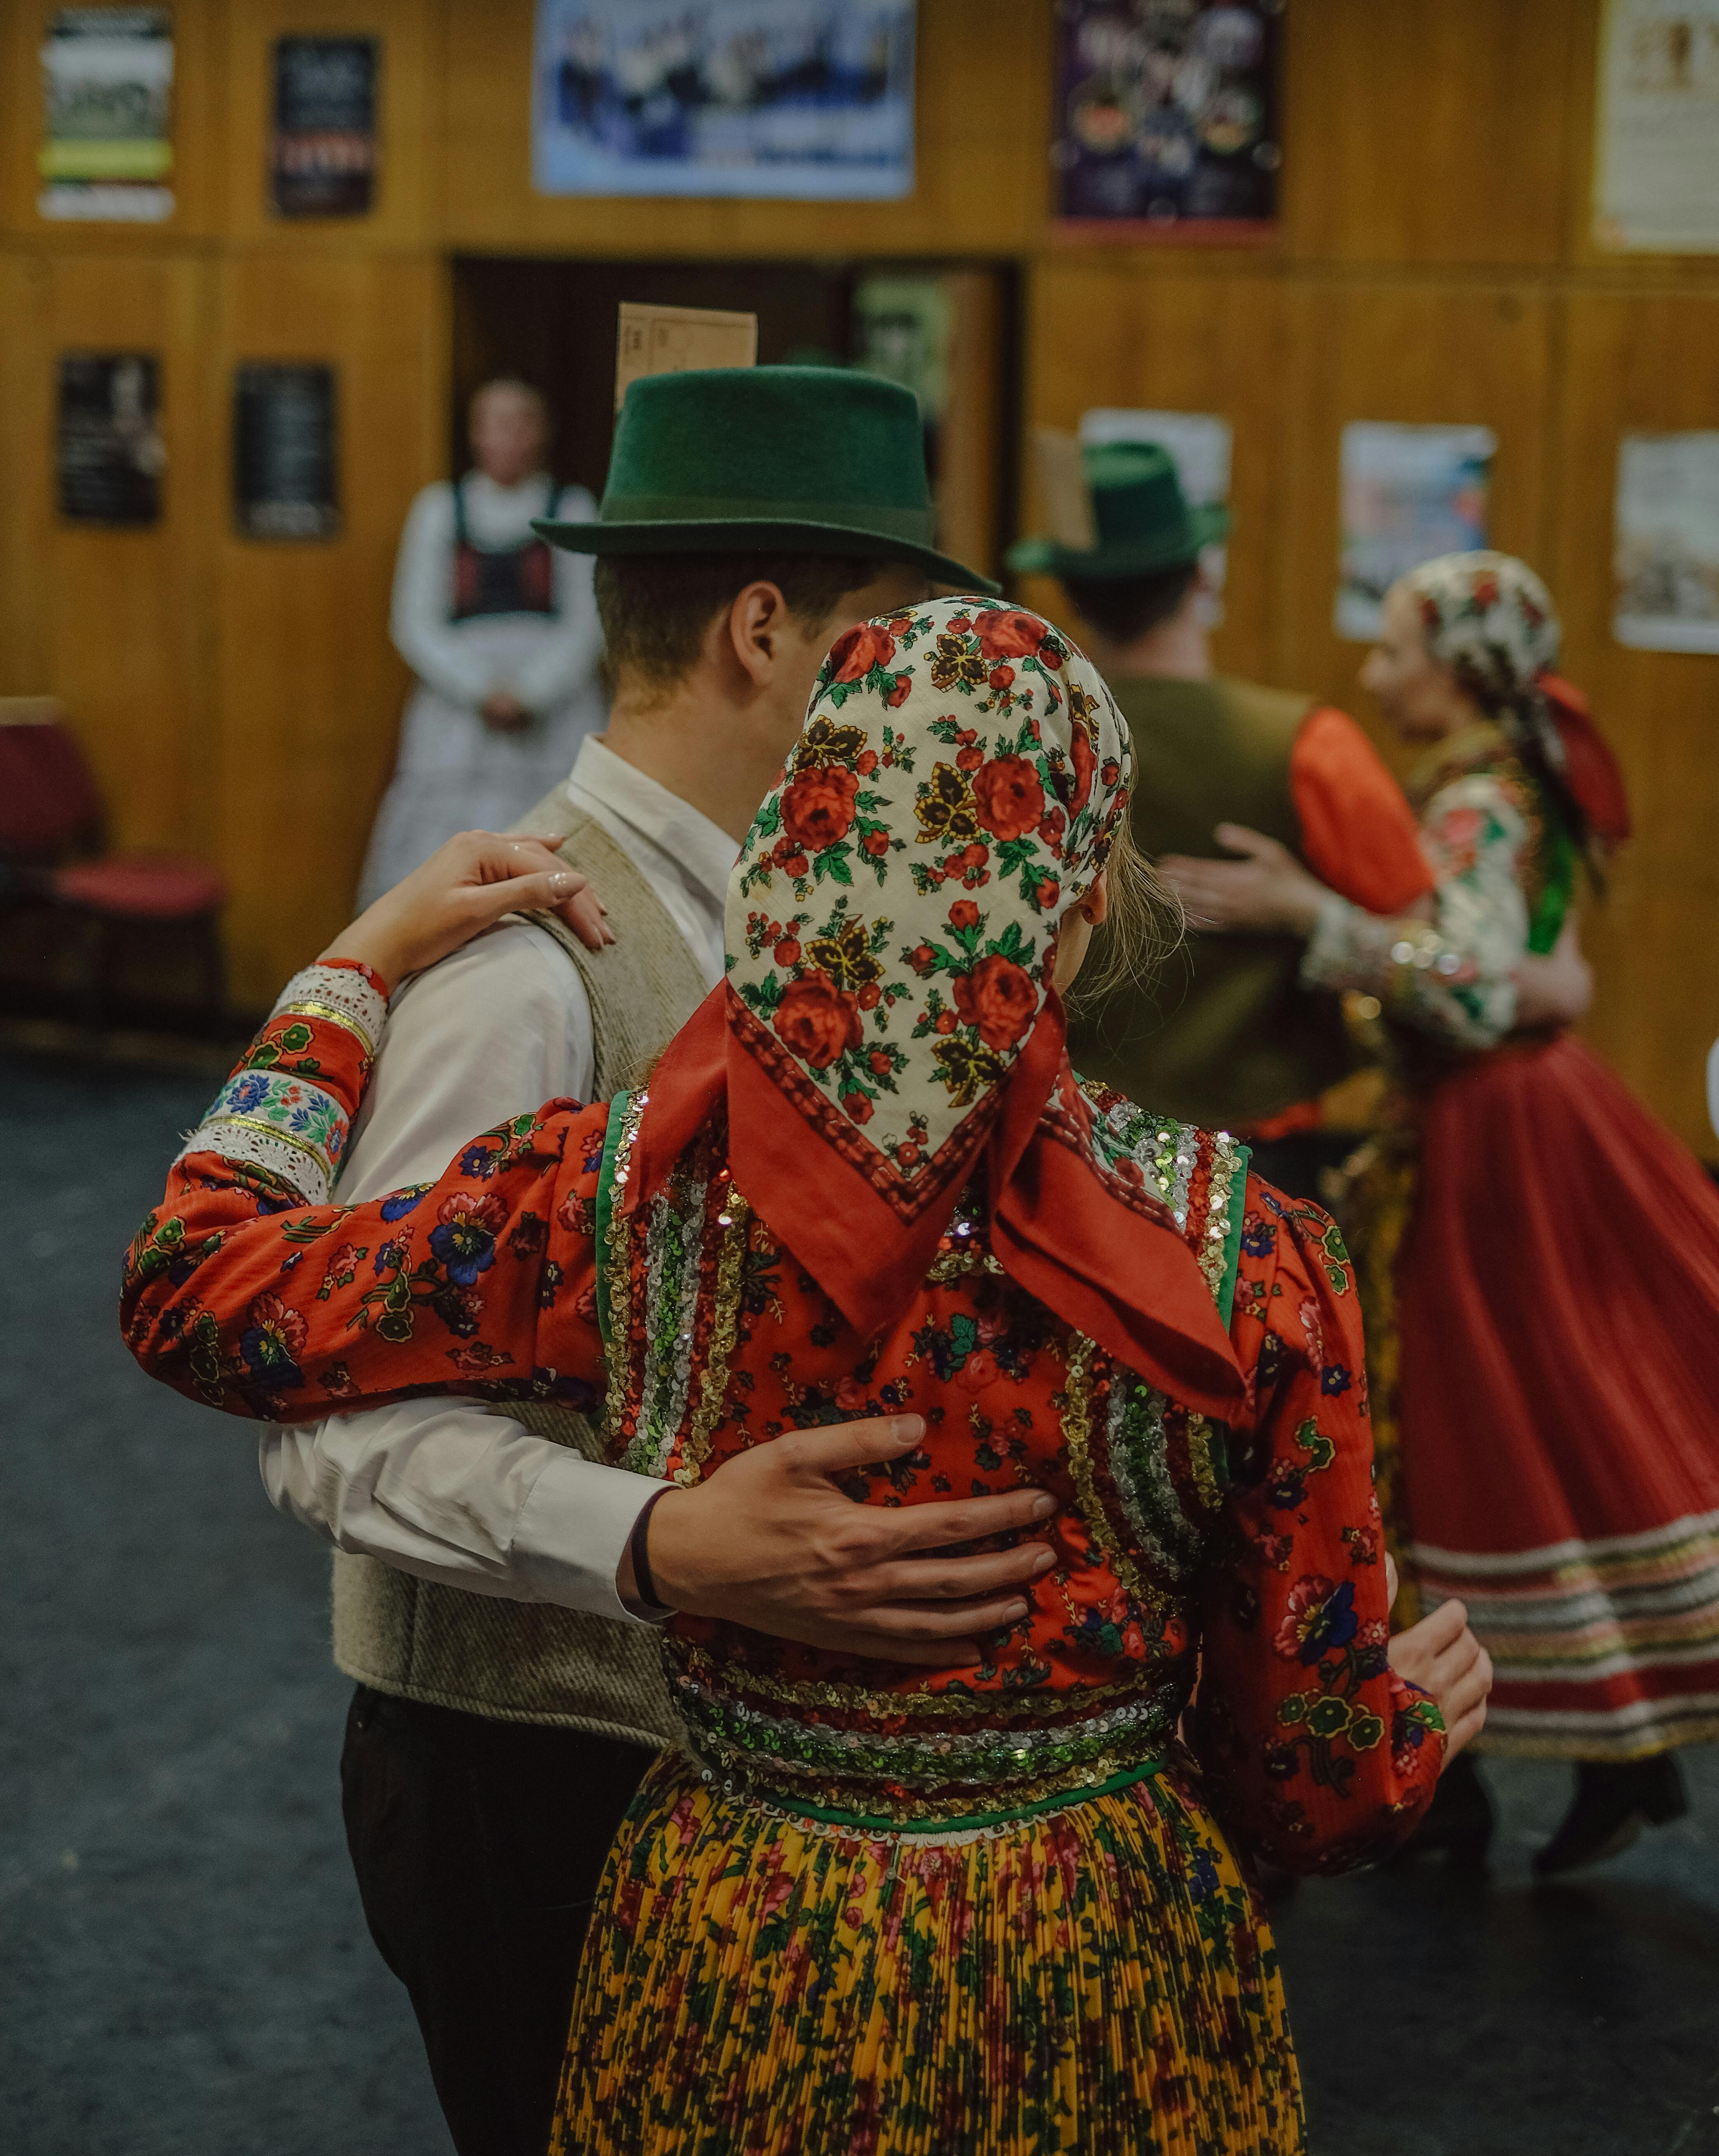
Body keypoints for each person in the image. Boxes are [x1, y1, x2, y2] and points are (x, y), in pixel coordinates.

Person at [124, 597, 1490, 2156]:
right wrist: (1400, 1735)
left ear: (797, 860)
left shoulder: (614, 1205)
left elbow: (195, 1291)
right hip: (1092, 1960)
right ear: (1076, 917)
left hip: (734, 1938)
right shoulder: (1248, 1261)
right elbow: (1309, 1794)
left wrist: (351, 969)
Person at [263, 365, 1054, 2156]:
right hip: (520, 1774)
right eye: (895, 640)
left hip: (708, 1759)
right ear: (766, 635)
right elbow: (324, 1425)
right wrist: (659, 1538)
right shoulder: (519, 953)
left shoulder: (795, 901)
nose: (923, 695)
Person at [1157, 550, 1719, 1877]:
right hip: (1501, 1122)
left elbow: (1468, 990)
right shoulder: (1499, 779)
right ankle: (1600, 1749)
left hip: (1493, 1135)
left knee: (1477, 1423)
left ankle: (1499, 1760)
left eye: (1397, 648)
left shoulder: (1476, 796)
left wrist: (1312, 915)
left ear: (1458, 669)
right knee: (1536, 1416)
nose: (1374, 670)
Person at [1009, 442, 1433, 1197]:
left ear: (1072, 598)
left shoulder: (1026, 742)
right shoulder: (1308, 746)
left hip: (1060, 1150)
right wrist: (1310, 913)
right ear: (1201, 576)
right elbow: (1423, 943)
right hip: (1254, 1168)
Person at [357, 379, 605, 905]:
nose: (507, 437)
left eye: (520, 423)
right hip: (458, 718)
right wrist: (480, 691)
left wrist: (531, 694)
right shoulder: (440, 509)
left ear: (543, 433)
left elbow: (590, 620)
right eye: (493, 423)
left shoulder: (572, 507)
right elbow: (415, 623)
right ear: (474, 434)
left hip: (552, 718)